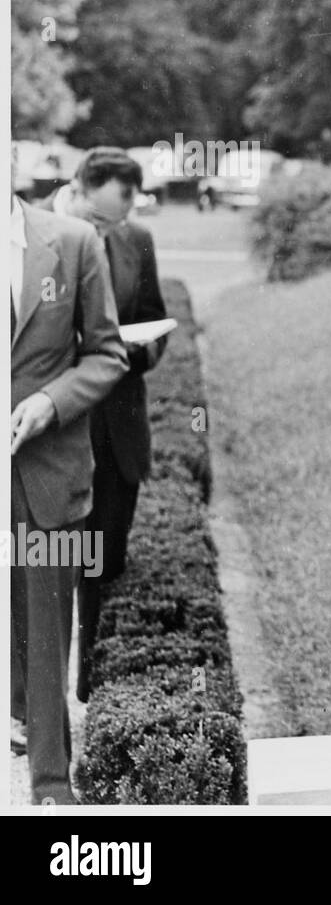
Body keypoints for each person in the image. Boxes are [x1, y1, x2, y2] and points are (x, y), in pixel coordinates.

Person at [11, 148, 129, 803]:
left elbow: (107, 355)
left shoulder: (75, 242)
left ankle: (52, 790)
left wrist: (49, 401)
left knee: (48, 630)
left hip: (47, 472)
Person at [47, 149, 168, 702]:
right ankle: (34, 703)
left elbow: (157, 319)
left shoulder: (136, 237)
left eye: (118, 219)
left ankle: (92, 691)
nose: (109, 229)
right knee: (45, 571)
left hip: (118, 429)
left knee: (105, 561)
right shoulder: (33, 238)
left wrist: (129, 352)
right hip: (54, 432)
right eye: (102, 218)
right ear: (81, 188)